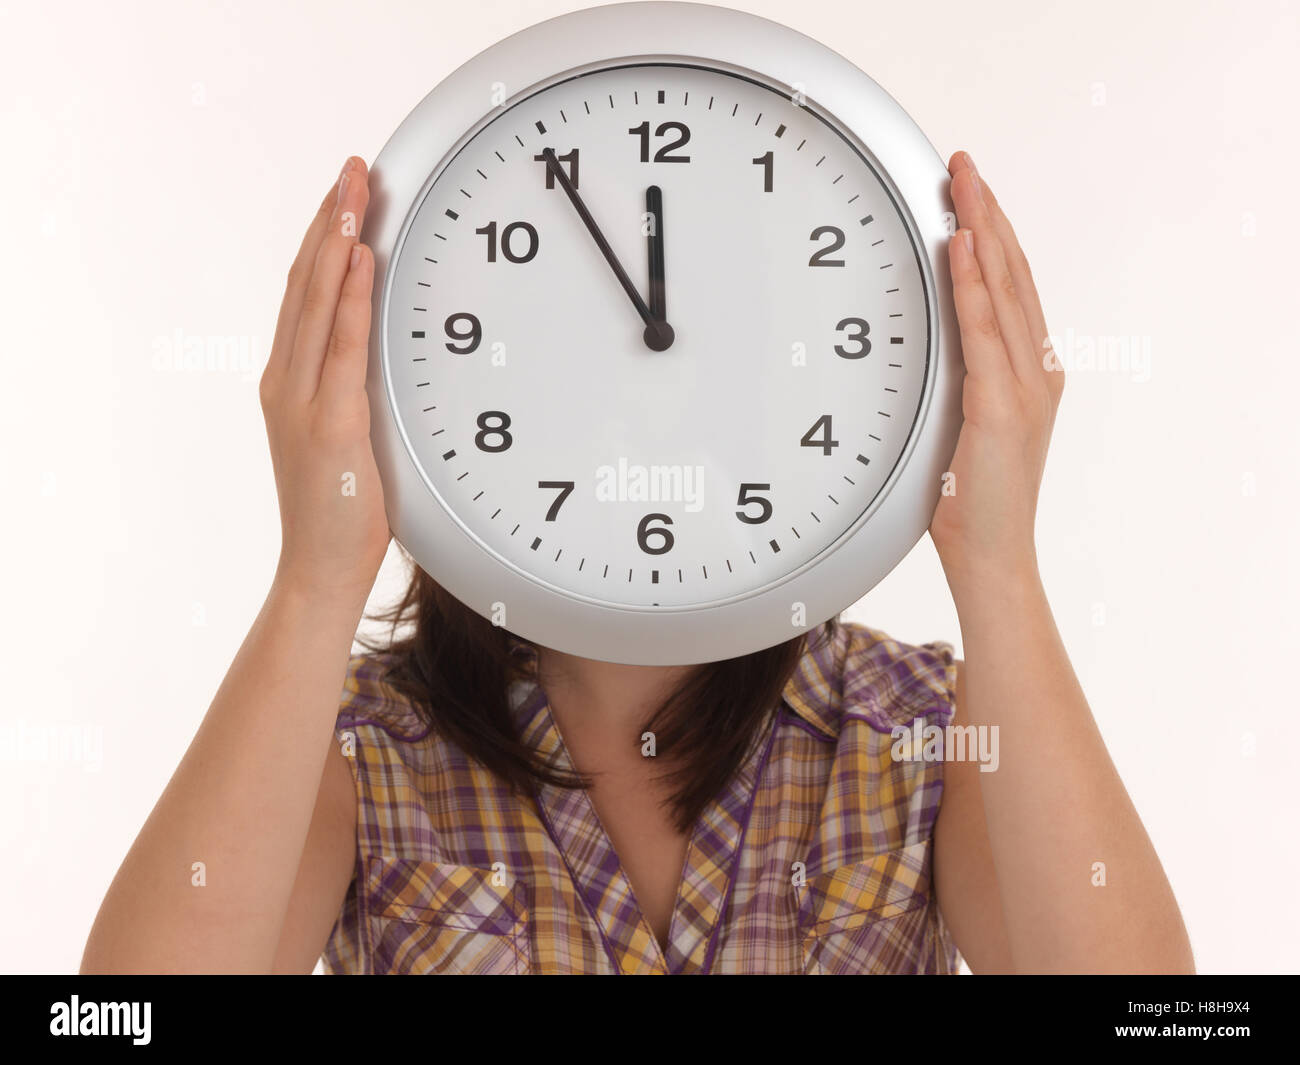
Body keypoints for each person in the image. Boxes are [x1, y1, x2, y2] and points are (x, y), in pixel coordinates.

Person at [80, 151, 1194, 974]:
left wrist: (996, 562)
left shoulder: (916, 730)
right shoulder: (362, 753)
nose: (647, 406)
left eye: (710, 362)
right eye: (580, 361)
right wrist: (315, 579)